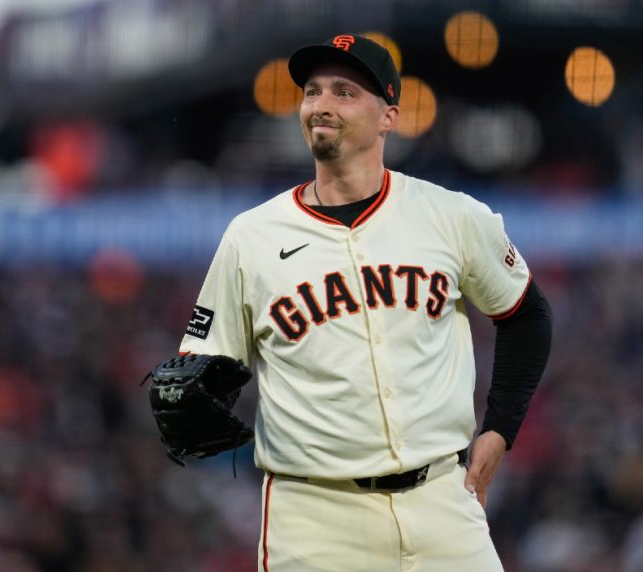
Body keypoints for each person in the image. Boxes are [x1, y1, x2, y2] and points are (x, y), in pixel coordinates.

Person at [176, 33, 553, 571]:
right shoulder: (250, 237)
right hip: (314, 517)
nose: (321, 104)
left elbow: (527, 316)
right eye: (312, 92)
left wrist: (500, 427)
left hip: (442, 499)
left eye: (344, 92)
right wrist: (194, 389)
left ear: (388, 117)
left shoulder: (451, 215)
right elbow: (203, 365)